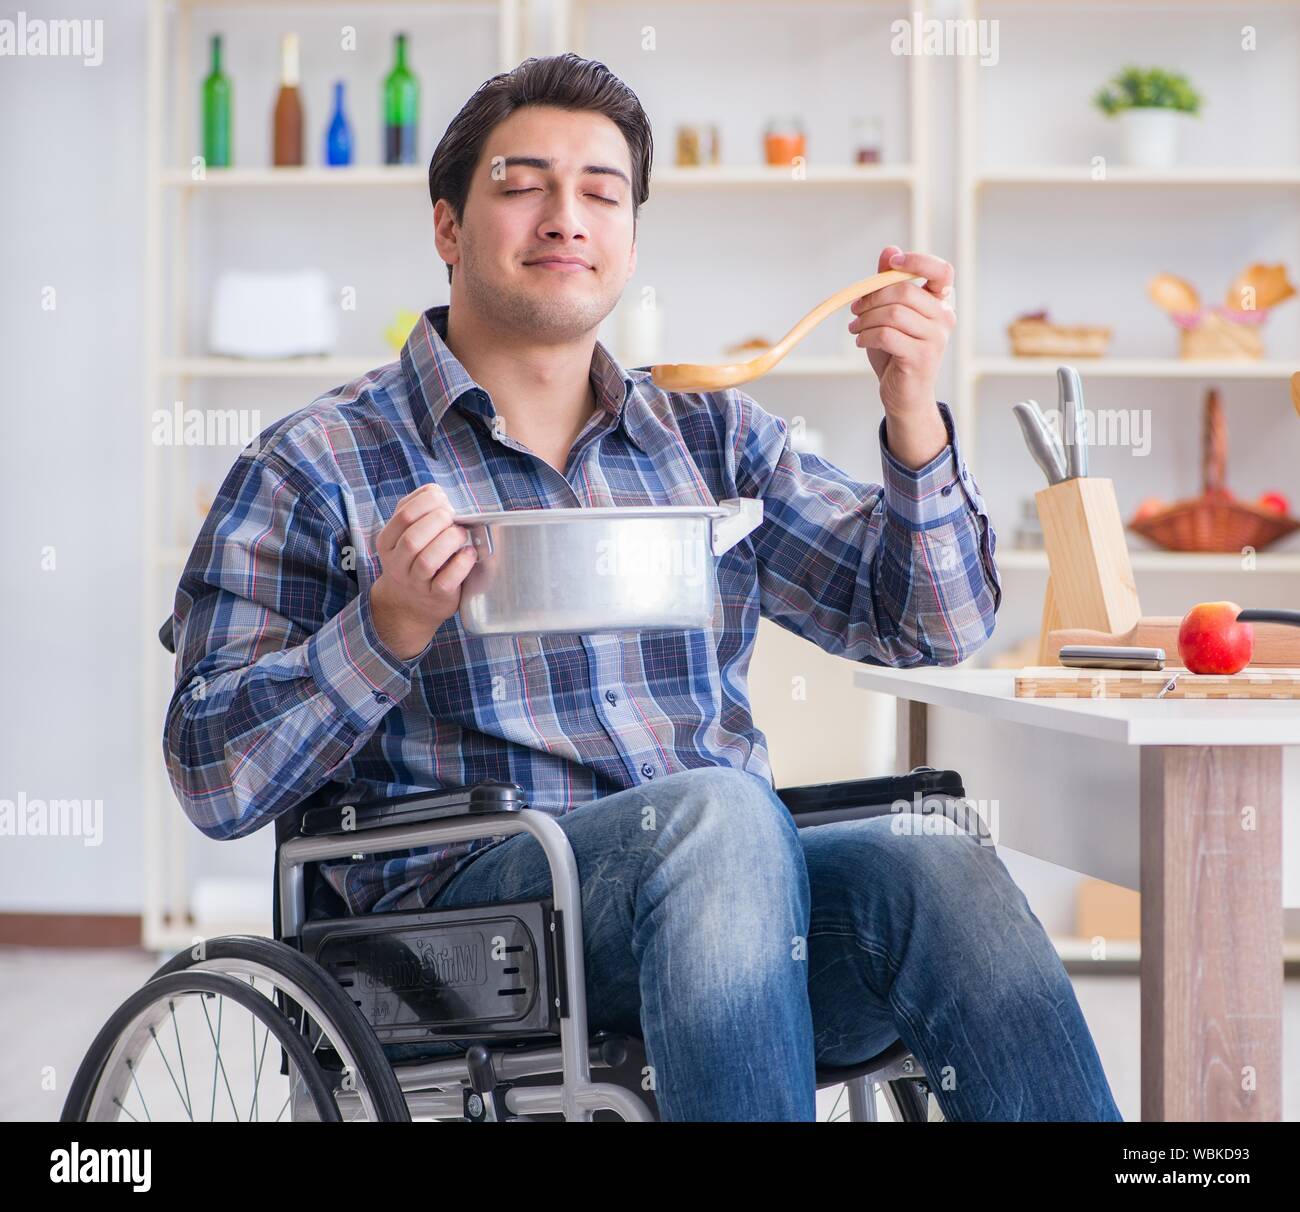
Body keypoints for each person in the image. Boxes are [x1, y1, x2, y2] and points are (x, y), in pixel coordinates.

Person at [165, 53, 1121, 1122]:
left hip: (737, 928)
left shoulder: (709, 437)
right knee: (717, 819)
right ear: (447, 228)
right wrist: (383, 628)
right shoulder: (313, 462)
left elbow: (932, 625)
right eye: (522, 185)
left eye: (601, 193)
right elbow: (213, 776)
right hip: (461, 942)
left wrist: (912, 418)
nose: (565, 216)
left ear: (629, 239)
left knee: (932, 864)